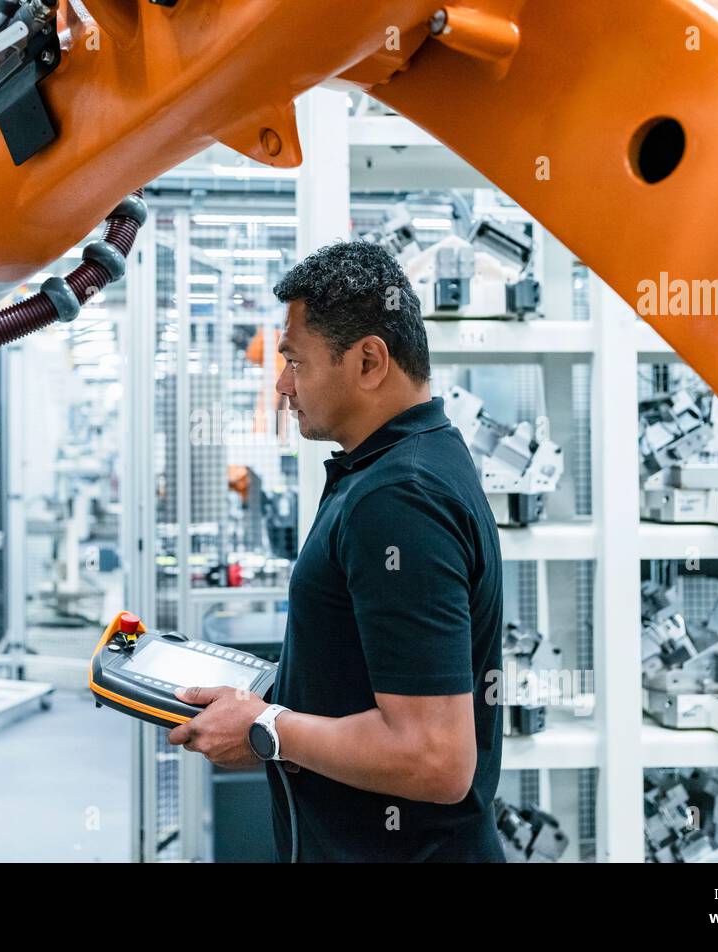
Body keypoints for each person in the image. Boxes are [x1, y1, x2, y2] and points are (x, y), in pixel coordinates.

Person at [168, 240, 505, 862]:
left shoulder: (400, 497)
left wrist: (265, 730)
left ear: (369, 360)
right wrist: (264, 707)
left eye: (295, 360)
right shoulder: (403, 462)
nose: (282, 383)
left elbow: (434, 758)